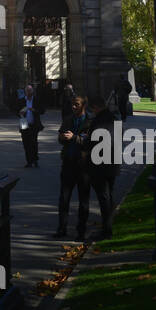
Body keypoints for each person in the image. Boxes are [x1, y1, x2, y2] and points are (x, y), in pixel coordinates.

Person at [56, 94, 91, 239]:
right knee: (64, 198)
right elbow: (59, 136)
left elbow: (91, 141)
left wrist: (75, 138)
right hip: (68, 163)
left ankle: (81, 231)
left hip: (83, 166)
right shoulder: (68, 119)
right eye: (72, 104)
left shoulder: (90, 122)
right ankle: (61, 228)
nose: (73, 106)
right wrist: (62, 138)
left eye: (76, 104)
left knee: (83, 200)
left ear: (84, 105)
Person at [84, 95, 117, 238]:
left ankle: (107, 229)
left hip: (100, 164)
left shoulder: (99, 121)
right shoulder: (113, 118)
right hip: (112, 162)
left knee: (103, 197)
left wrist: (84, 142)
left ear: (96, 107)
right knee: (108, 196)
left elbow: (93, 141)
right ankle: (108, 225)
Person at [18, 82, 44, 168]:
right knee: (26, 143)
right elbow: (16, 110)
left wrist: (34, 110)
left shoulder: (36, 100)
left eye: (30, 90)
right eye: (27, 91)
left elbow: (42, 110)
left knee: (33, 143)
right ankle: (29, 161)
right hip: (24, 122)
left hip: (34, 124)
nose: (29, 92)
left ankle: (35, 160)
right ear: (25, 92)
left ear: (32, 91)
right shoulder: (22, 101)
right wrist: (20, 112)